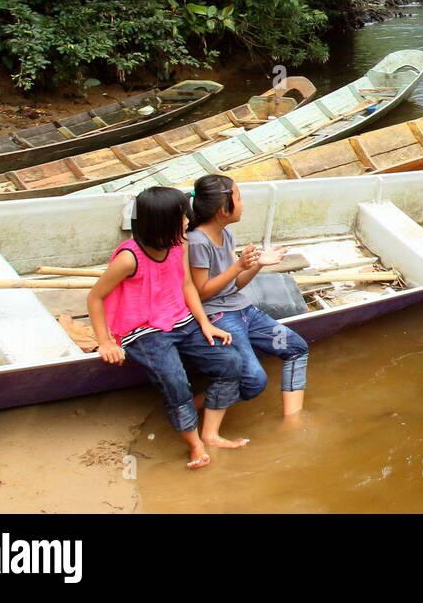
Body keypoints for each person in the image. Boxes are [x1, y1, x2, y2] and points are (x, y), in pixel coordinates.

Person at [87, 186, 245, 470]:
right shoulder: (128, 258)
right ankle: (195, 444)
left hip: (179, 318)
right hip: (143, 330)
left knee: (232, 361)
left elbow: (185, 285)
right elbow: (95, 297)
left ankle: (209, 431)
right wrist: (105, 341)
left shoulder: (179, 244)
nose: (188, 223)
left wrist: (205, 323)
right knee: (174, 380)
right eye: (182, 219)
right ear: (163, 224)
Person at [189, 175, 309, 417]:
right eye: (239, 198)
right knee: (253, 380)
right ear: (223, 210)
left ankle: (293, 421)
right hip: (220, 317)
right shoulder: (197, 241)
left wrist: (258, 264)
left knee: (295, 347)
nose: (242, 204)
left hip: (245, 313)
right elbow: (201, 293)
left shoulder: (226, 235)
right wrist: (239, 265)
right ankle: (189, 407)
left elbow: (234, 285)